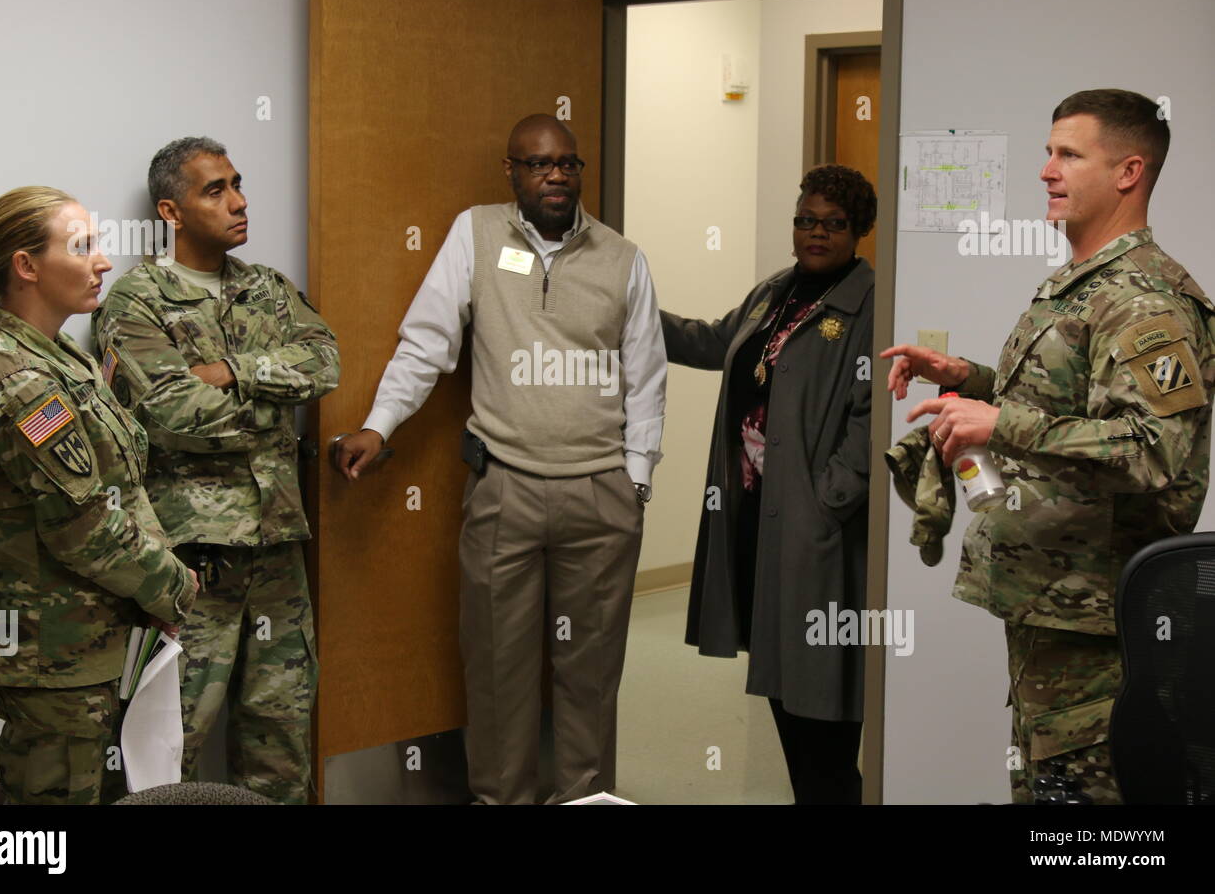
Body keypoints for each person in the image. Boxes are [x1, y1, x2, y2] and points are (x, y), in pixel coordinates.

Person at [883, 89, 1215, 803]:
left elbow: (1157, 450)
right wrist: (966, 378)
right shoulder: (1080, 286)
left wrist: (997, 424)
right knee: (1047, 795)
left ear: (1129, 172)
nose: (1046, 170)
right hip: (1052, 607)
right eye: (1048, 152)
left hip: (1100, 621)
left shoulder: (1142, 299)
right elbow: (1063, 410)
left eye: (1068, 154)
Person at [333, 114, 666, 804]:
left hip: (600, 496)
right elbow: (427, 342)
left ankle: (585, 799)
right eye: (538, 164)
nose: (555, 176)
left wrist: (635, 483)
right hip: (505, 491)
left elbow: (646, 376)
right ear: (510, 172)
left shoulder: (622, 257)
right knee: (496, 667)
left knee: (591, 670)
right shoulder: (477, 233)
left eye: (568, 164)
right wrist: (378, 423)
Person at [92, 137, 340, 804]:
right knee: (170, 743)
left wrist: (237, 369)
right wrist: (271, 413)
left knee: (282, 739)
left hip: (277, 550)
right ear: (171, 211)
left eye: (238, 183)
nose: (240, 201)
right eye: (216, 190)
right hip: (190, 564)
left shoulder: (265, 287)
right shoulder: (136, 301)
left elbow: (325, 364)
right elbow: (171, 412)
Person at [0, 186, 198, 804]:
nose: (103, 261)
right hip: (56, 659)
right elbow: (82, 528)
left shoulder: (60, 358)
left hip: (96, 645)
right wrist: (174, 586)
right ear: (26, 266)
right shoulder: (18, 380)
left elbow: (118, 487)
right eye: (83, 247)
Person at [661, 164, 875, 804]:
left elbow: (872, 418)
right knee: (783, 685)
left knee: (824, 700)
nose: (816, 233)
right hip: (757, 519)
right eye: (805, 220)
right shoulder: (775, 293)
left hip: (818, 534)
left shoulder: (869, 303)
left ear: (858, 231)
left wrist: (827, 502)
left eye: (833, 224)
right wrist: (635, 309)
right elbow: (713, 342)